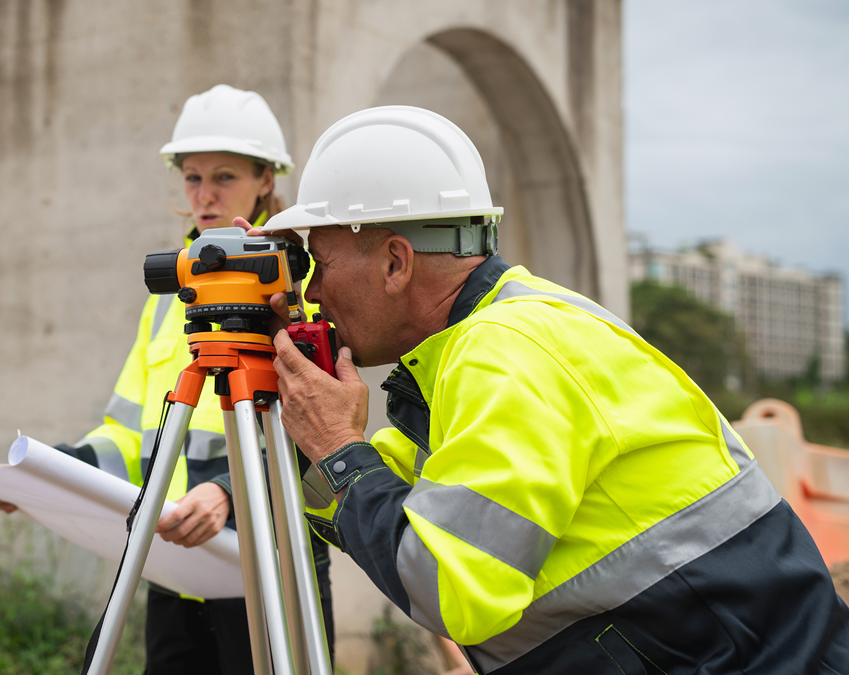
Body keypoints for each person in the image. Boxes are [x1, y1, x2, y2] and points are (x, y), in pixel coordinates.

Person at [247, 105, 849, 674]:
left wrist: (335, 445)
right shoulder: (486, 344)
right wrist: (313, 430)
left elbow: (447, 587)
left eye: (318, 264)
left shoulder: (506, 355)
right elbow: (379, 507)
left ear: (396, 263)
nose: (315, 292)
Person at [0, 84, 335, 674]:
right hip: (176, 568)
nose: (204, 195)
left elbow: (323, 431)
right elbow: (130, 433)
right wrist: (44, 473)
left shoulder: (302, 281)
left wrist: (228, 495)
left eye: (223, 177)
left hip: (271, 564)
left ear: (265, 179)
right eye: (192, 178)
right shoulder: (178, 291)